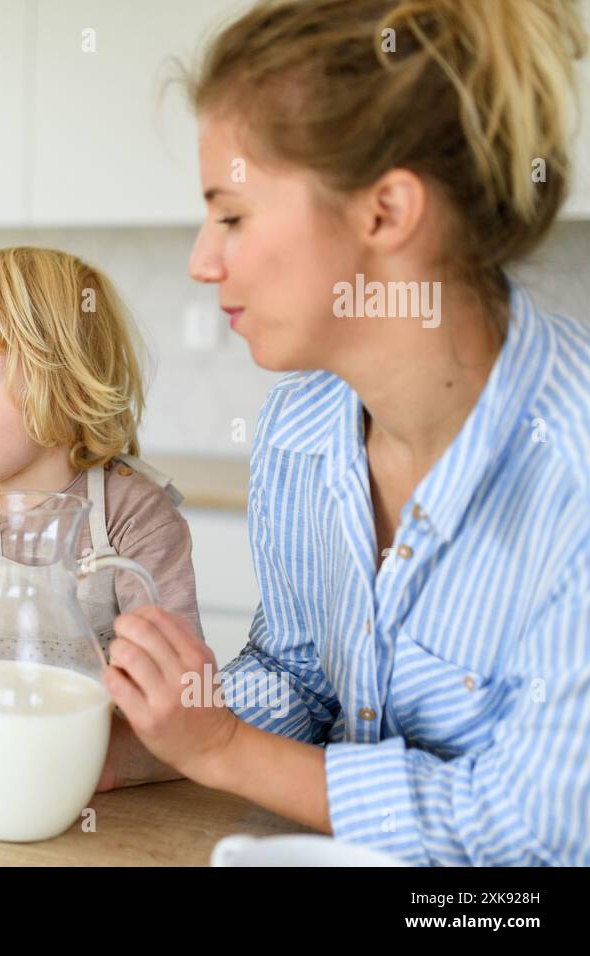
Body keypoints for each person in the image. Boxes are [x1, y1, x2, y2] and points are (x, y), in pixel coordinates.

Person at [107, 0, 590, 865]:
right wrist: (140, 743)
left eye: (233, 213)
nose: (202, 260)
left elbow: (536, 830)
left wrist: (224, 750)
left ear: (385, 212)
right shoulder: (302, 424)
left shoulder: (573, 471)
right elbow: (296, 674)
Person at [0, 246, 201, 792]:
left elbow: (180, 697)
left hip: (106, 777)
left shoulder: (134, 515)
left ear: (68, 381)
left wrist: (95, 755)